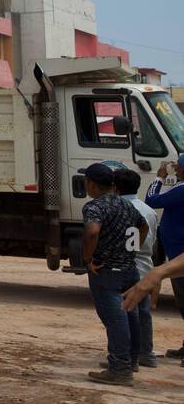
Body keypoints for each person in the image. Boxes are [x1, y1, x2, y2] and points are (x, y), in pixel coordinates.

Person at [80, 162, 149, 384]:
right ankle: (130, 360)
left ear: (91, 184)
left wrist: (87, 259)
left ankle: (120, 368)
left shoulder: (95, 207)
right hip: (130, 269)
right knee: (131, 316)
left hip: (107, 271)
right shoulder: (128, 205)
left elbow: (92, 232)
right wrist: (131, 249)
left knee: (115, 319)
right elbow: (143, 226)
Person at [112, 165, 159, 368]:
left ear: (115, 188)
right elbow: (153, 239)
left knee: (123, 312)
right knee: (144, 312)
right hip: (144, 263)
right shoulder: (149, 210)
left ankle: (126, 357)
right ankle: (146, 353)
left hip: (123, 264)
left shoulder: (116, 208)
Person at [145, 153, 184, 360]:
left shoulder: (181, 189)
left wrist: (159, 178)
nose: (175, 168)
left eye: (179, 166)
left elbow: (151, 199)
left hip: (179, 255)